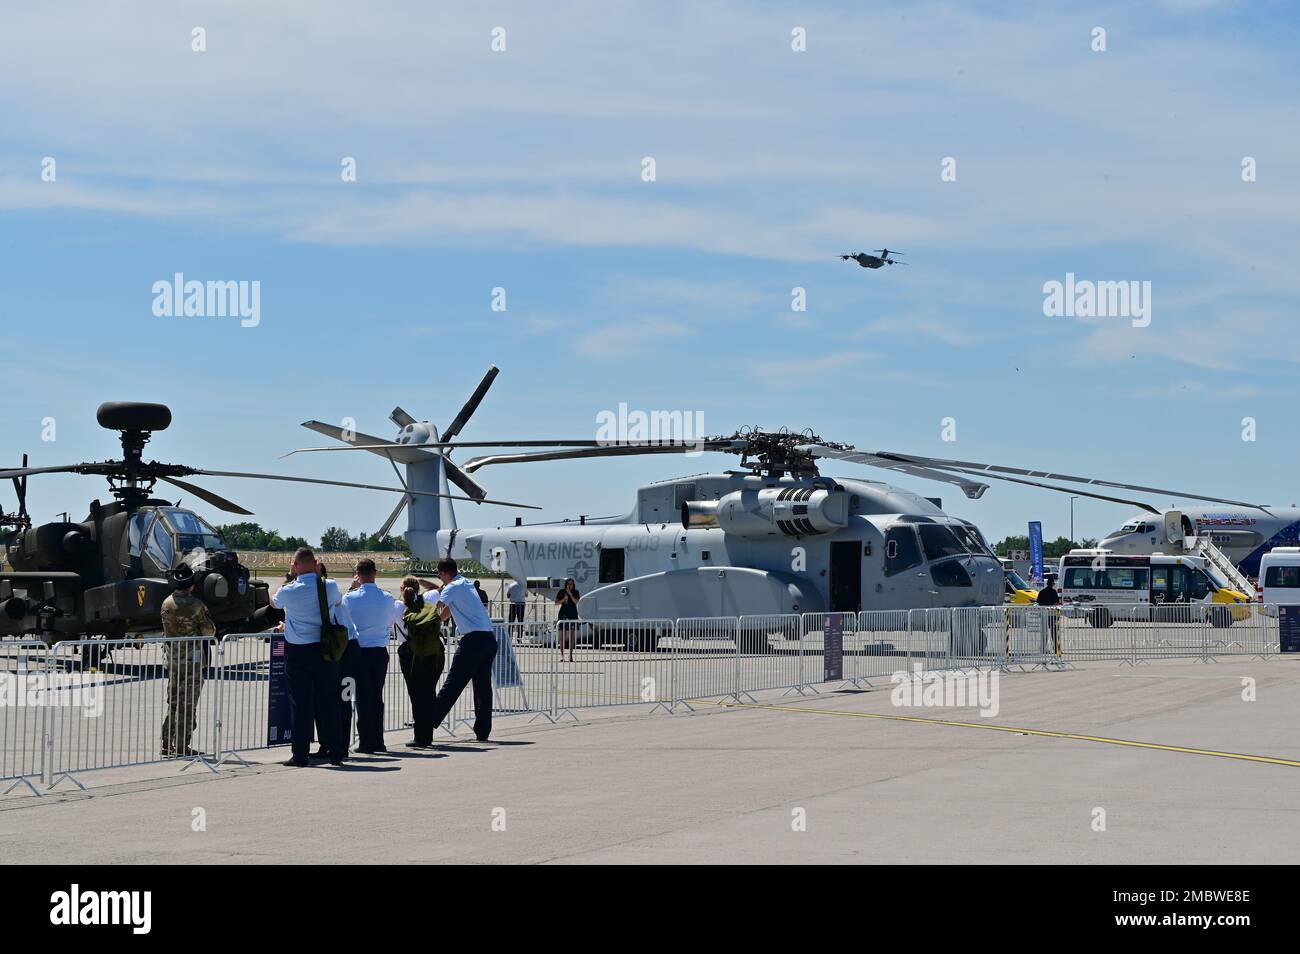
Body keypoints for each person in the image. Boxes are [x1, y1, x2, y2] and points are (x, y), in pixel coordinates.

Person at [270, 547, 345, 767]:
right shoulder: (329, 586)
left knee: (300, 705)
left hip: (298, 651)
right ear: (315, 563)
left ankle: (300, 754)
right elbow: (338, 602)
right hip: (325, 649)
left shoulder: (289, 590)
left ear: (295, 566)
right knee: (330, 701)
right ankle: (336, 753)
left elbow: (274, 602)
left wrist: (289, 578)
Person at [428, 558, 498, 742]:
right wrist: (436, 623)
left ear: (444, 573)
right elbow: (448, 611)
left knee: (453, 683)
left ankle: (427, 723)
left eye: (440, 576)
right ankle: (483, 731)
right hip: (488, 639)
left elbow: (436, 604)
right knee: (483, 687)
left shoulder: (451, 587)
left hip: (473, 641)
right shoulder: (465, 583)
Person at [341, 558, 401, 754]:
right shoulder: (387, 597)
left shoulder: (350, 598)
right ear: (375, 572)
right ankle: (378, 740)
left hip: (361, 650)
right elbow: (391, 621)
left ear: (358, 574)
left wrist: (352, 588)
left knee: (363, 698)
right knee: (376, 697)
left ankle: (367, 741)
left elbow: (343, 617)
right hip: (380, 651)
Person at [159, 563, 216, 758]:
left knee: (173, 701)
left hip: (173, 659)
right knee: (188, 704)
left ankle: (167, 743)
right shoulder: (196, 605)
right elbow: (209, 631)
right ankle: (182, 746)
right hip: (192, 660)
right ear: (191, 585)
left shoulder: (166, 603)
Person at [396, 575, 446, 747]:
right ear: (418, 589)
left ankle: (420, 737)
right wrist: (424, 582)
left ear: (402, 590)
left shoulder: (397, 606)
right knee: (428, 692)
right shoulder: (429, 598)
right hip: (433, 652)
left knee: (416, 696)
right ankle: (428, 735)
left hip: (410, 654)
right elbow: (443, 587)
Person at [555, 577, 580, 662]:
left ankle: (570, 655)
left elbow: (576, 602)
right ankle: (562, 655)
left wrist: (570, 594)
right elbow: (556, 603)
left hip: (572, 614)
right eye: (568, 584)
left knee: (572, 637)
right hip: (563, 614)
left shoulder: (576, 592)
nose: (569, 586)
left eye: (571, 584)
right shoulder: (561, 592)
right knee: (562, 637)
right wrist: (563, 599)